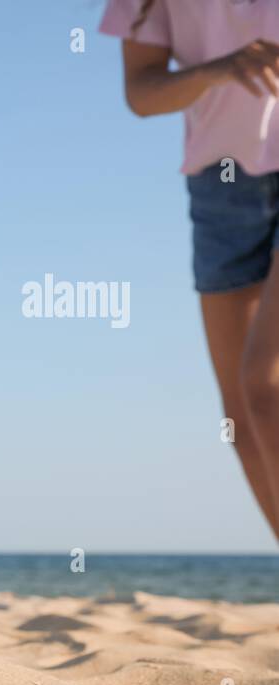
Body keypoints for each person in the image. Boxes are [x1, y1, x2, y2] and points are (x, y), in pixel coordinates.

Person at [102, 0, 279, 539]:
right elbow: (142, 91)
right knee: (241, 422)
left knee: (266, 387)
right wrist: (217, 69)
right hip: (219, 190)